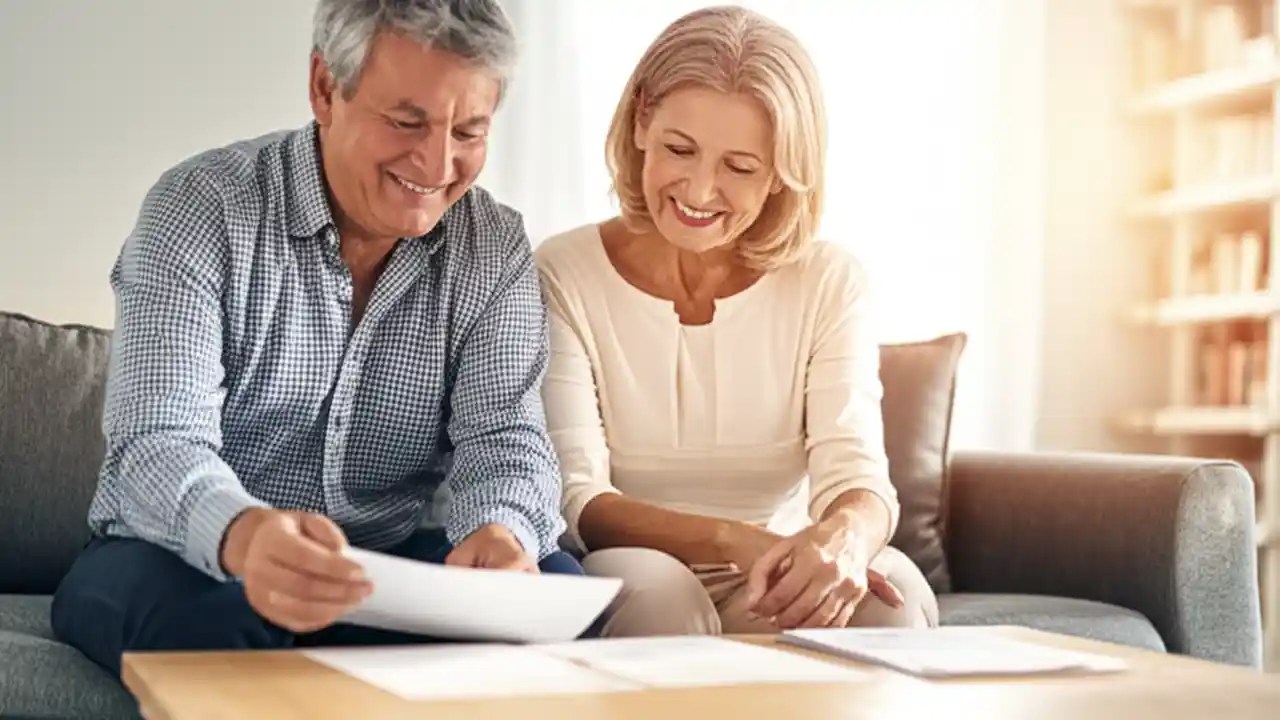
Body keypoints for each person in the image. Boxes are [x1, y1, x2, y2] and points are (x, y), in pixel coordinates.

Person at [51, 0, 586, 677]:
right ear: (325, 88)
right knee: (220, 627)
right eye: (407, 122)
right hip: (185, 558)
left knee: (560, 594)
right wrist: (245, 536)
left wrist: (501, 530)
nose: (437, 163)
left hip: (385, 566)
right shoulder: (200, 208)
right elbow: (157, 441)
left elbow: (505, 438)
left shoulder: (494, 246)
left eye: (468, 131)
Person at [535, 5, 939, 636]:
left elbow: (857, 474)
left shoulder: (829, 280)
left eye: (740, 167)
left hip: (776, 566)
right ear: (641, 121)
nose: (699, 191)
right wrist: (737, 541)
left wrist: (845, 539)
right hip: (639, 564)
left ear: (781, 172)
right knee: (664, 601)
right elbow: (579, 500)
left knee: (893, 601)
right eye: (679, 150)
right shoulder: (564, 270)